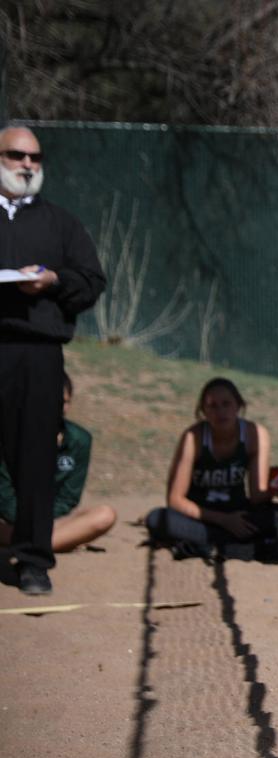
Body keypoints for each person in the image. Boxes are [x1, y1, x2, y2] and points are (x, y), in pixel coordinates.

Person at [0, 126, 107, 595]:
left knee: (35, 457)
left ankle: (32, 561)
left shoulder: (61, 224)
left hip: (38, 355)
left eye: (35, 158)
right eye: (17, 155)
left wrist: (53, 281)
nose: (27, 164)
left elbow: (91, 281)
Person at [146, 377, 278, 562]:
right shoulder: (193, 438)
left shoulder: (255, 434)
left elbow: (256, 497)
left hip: (238, 514)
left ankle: (212, 545)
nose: (220, 411)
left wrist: (277, 487)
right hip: (202, 516)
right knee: (158, 519)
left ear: (239, 406)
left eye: (226, 404)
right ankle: (238, 546)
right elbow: (175, 500)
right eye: (212, 406)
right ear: (203, 411)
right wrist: (224, 520)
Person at [0, 373, 116, 552]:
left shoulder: (80, 440)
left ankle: (31, 542)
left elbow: (68, 497)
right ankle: (53, 541)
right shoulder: (9, 438)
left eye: (64, 402)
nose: (57, 407)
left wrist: (42, 522)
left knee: (105, 515)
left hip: (50, 520)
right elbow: (5, 497)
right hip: (10, 518)